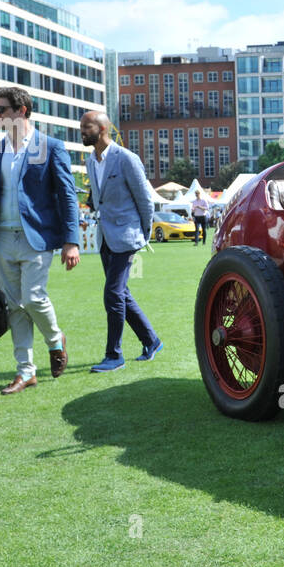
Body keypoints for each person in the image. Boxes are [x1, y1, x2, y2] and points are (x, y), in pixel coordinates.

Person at [0, 87, 80, 395]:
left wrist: (71, 240)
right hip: (1, 239)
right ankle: (25, 372)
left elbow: (67, 195)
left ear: (22, 110)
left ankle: (55, 340)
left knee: (34, 298)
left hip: (35, 237)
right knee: (13, 306)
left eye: (1, 110)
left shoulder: (50, 147)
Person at [80, 111, 163, 372]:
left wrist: (143, 234)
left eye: (86, 126)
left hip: (127, 237)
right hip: (105, 237)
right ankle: (151, 340)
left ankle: (113, 355)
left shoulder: (126, 158)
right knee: (121, 293)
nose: (81, 130)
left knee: (113, 293)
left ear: (103, 128)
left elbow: (145, 199)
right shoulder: (91, 161)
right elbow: (99, 198)